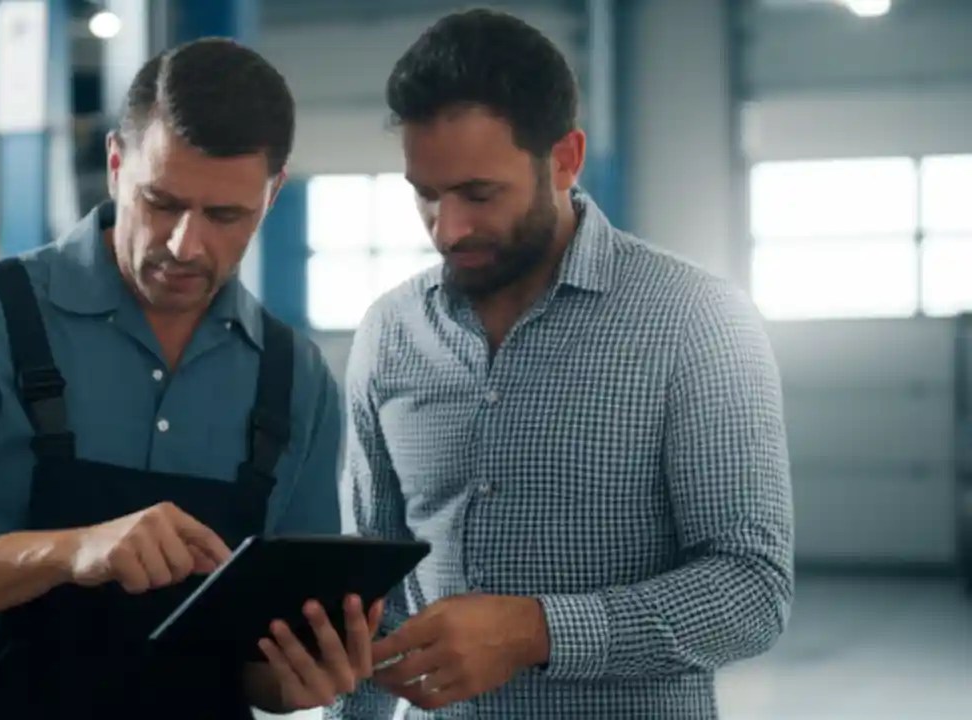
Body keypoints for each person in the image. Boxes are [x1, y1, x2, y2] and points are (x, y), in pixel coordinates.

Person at [0, 38, 382, 719]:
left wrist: (299, 680)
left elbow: (268, 664)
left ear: (273, 195)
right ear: (117, 164)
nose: (185, 244)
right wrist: (69, 552)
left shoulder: (295, 379)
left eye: (225, 215)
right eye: (162, 202)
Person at [332, 9, 793, 719]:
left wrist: (535, 631)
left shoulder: (695, 319)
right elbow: (374, 601)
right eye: (426, 194)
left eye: (480, 195)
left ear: (565, 159)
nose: (448, 229)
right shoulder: (389, 333)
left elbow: (752, 591)